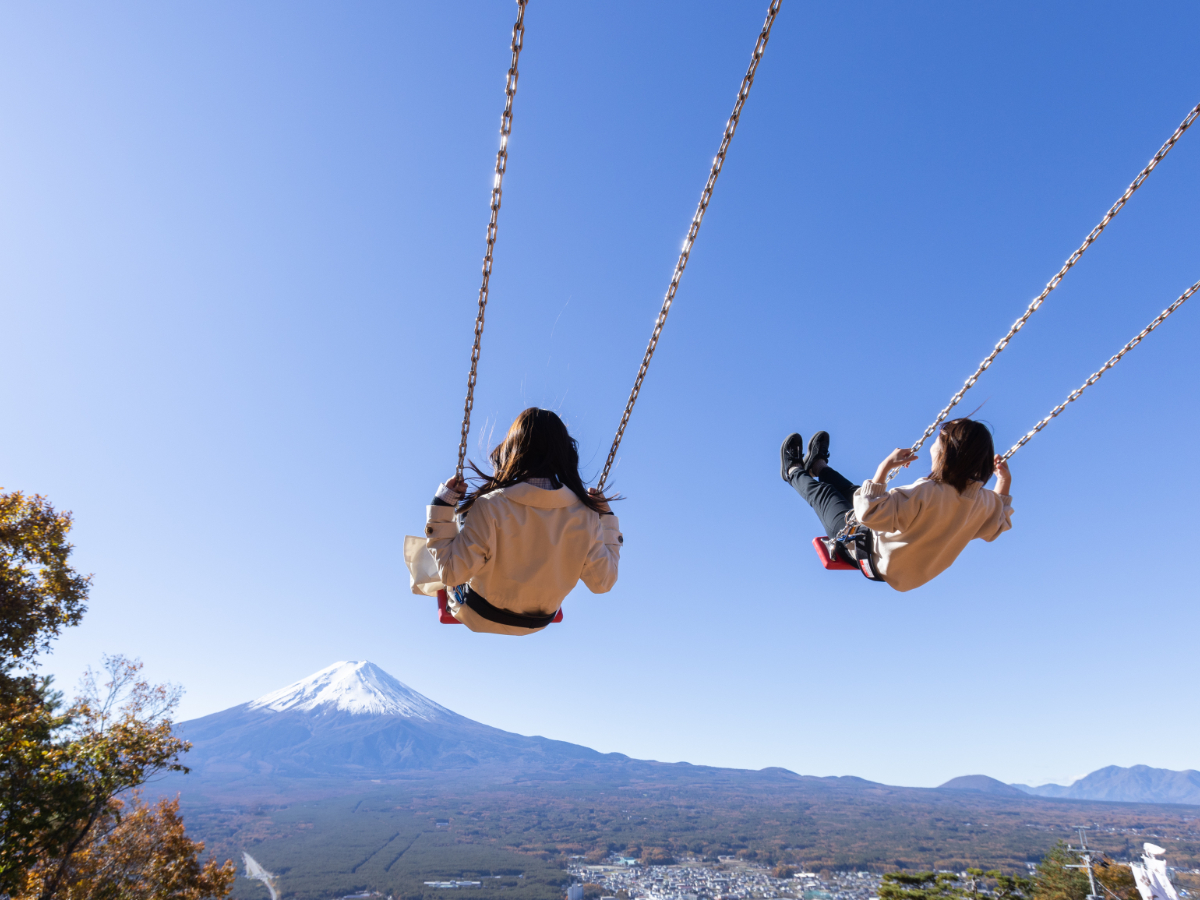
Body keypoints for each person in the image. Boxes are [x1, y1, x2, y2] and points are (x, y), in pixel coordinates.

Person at [423, 408, 622, 634]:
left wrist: (442, 505)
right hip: (539, 621)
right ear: (565, 453)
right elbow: (602, 582)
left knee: (436, 542)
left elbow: (451, 574)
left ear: (512, 449)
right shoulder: (586, 516)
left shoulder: (490, 505)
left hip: (478, 613)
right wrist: (606, 518)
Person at [781, 418, 1013, 592]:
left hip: (862, 549)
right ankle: (819, 466)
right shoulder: (983, 502)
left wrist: (884, 468)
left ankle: (792, 471)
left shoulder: (928, 492)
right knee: (854, 492)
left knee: (825, 494)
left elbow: (869, 514)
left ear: (945, 452)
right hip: (896, 567)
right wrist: (1004, 480)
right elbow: (997, 522)